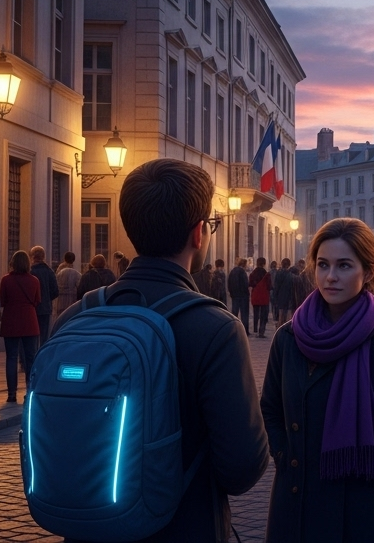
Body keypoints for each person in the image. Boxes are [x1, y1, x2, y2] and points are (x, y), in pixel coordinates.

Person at [52, 157, 268, 542]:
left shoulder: (76, 315)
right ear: (199, 233)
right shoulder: (215, 329)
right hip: (182, 526)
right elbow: (242, 468)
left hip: (88, 527)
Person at [261, 218, 374, 542]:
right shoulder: (289, 339)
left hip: (365, 509)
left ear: (369, 272)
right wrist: (283, 455)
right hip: (299, 503)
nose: (331, 277)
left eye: (344, 266)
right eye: (323, 265)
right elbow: (270, 410)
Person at [0, 250, 41, 403]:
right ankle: (30, 391)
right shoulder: (34, 280)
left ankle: (11, 393)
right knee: (30, 358)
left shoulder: (6, 280)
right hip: (29, 320)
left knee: (11, 357)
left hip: (11, 320)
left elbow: (2, 301)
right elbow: (37, 300)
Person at [28, 246, 60, 344]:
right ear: (43, 256)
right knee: (43, 336)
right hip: (45, 308)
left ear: (32, 257)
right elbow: (55, 291)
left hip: (32, 307)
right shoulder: (49, 272)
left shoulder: (30, 272)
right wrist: (46, 298)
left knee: (31, 335)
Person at [250, 257, 271, 337]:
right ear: (264, 263)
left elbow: (251, 283)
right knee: (263, 315)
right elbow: (269, 286)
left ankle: (255, 329)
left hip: (255, 296)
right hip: (264, 296)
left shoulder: (253, 273)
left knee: (256, 313)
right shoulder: (267, 274)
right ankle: (261, 331)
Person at [229, 257, 251, 333]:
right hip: (243, 296)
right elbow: (245, 284)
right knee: (244, 314)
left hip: (235, 295)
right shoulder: (242, 272)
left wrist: (231, 293)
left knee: (234, 313)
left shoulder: (232, 271)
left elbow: (229, 283)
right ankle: (245, 330)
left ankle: (233, 329)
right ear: (244, 264)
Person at [272, 258, 296, 326]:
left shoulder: (278, 273)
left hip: (280, 297)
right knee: (287, 318)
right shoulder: (291, 275)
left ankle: (279, 331)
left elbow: (276, 287)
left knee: (280, 316)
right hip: (288, 298)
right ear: (288, 265)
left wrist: (275, 297)